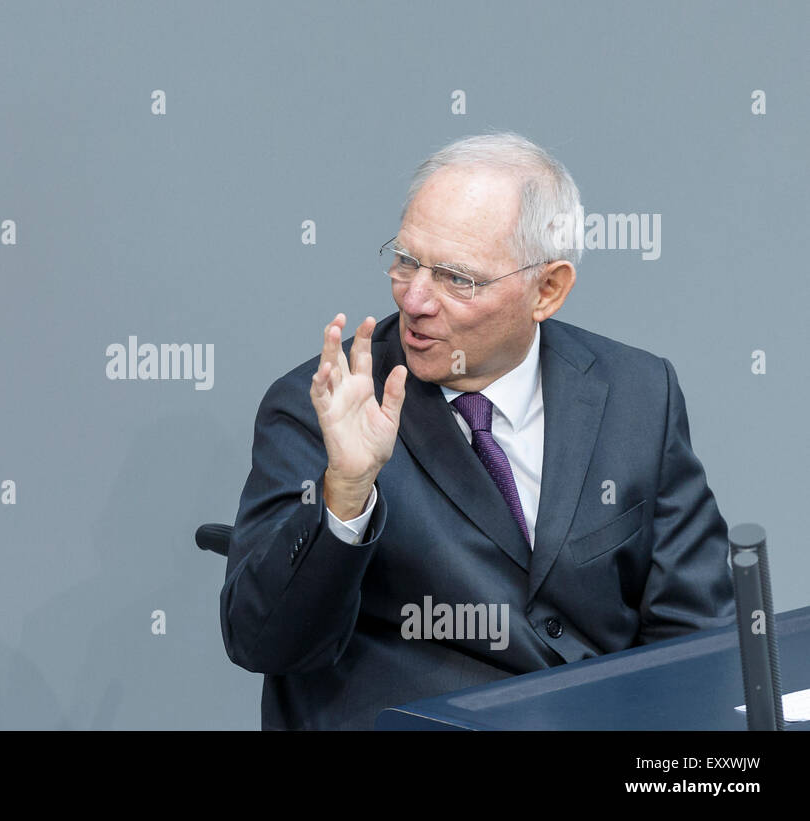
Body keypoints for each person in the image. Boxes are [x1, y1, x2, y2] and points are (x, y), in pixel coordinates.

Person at [219, 133, 736, 730]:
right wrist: (346, 494)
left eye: (457, 279)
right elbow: (263, 642)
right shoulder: (320, 406)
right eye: (407, 261)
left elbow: (698, 636)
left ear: (548, 289)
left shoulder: (639, 392)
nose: (415, 300)